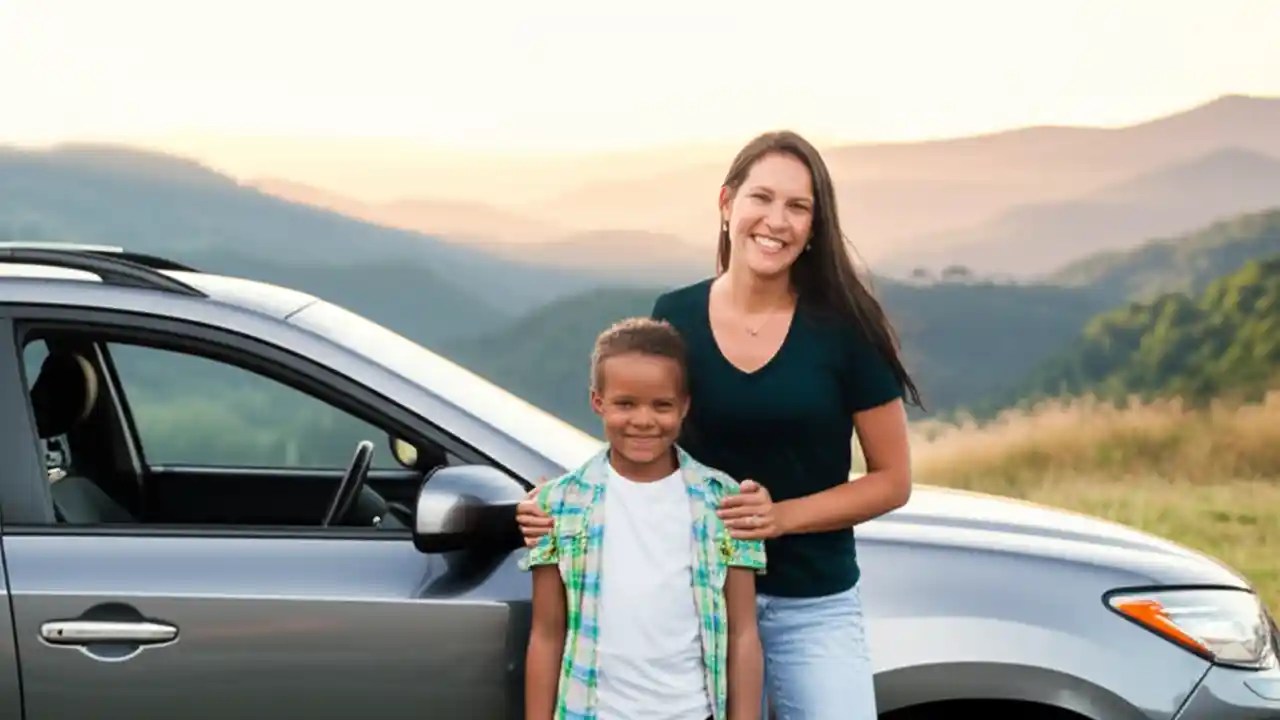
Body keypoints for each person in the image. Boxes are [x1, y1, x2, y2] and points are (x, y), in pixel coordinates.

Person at [518, 130, 920, 719]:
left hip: (810, 603)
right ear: (728, 204)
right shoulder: (675, 315)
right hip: (690, 602)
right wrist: (555, 504)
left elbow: (892, 480)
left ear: (814, 228)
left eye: (798, 206)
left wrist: (779, 519)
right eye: (762, 198)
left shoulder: (845, 330)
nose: (776, 220)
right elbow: (641, 436)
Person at [522, 317, 767, 720]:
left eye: (662, 405)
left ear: (684, 406)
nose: (643, 420)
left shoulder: (725, 503)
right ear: (598, 402)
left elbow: (743, 633)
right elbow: (547, 634)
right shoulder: (558, 507)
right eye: (625, 404)